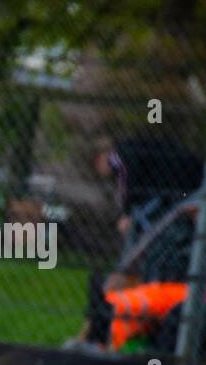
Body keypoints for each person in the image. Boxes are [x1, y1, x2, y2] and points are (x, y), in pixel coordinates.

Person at [72, 136, 203, 351]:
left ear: (100, 158)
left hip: (181, 189)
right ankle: (102, 324)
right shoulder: (141, 155)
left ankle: (104, 322)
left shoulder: (120, 155)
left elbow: (126, 179)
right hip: (181, 188)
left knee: (142, 235)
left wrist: (125, 212)